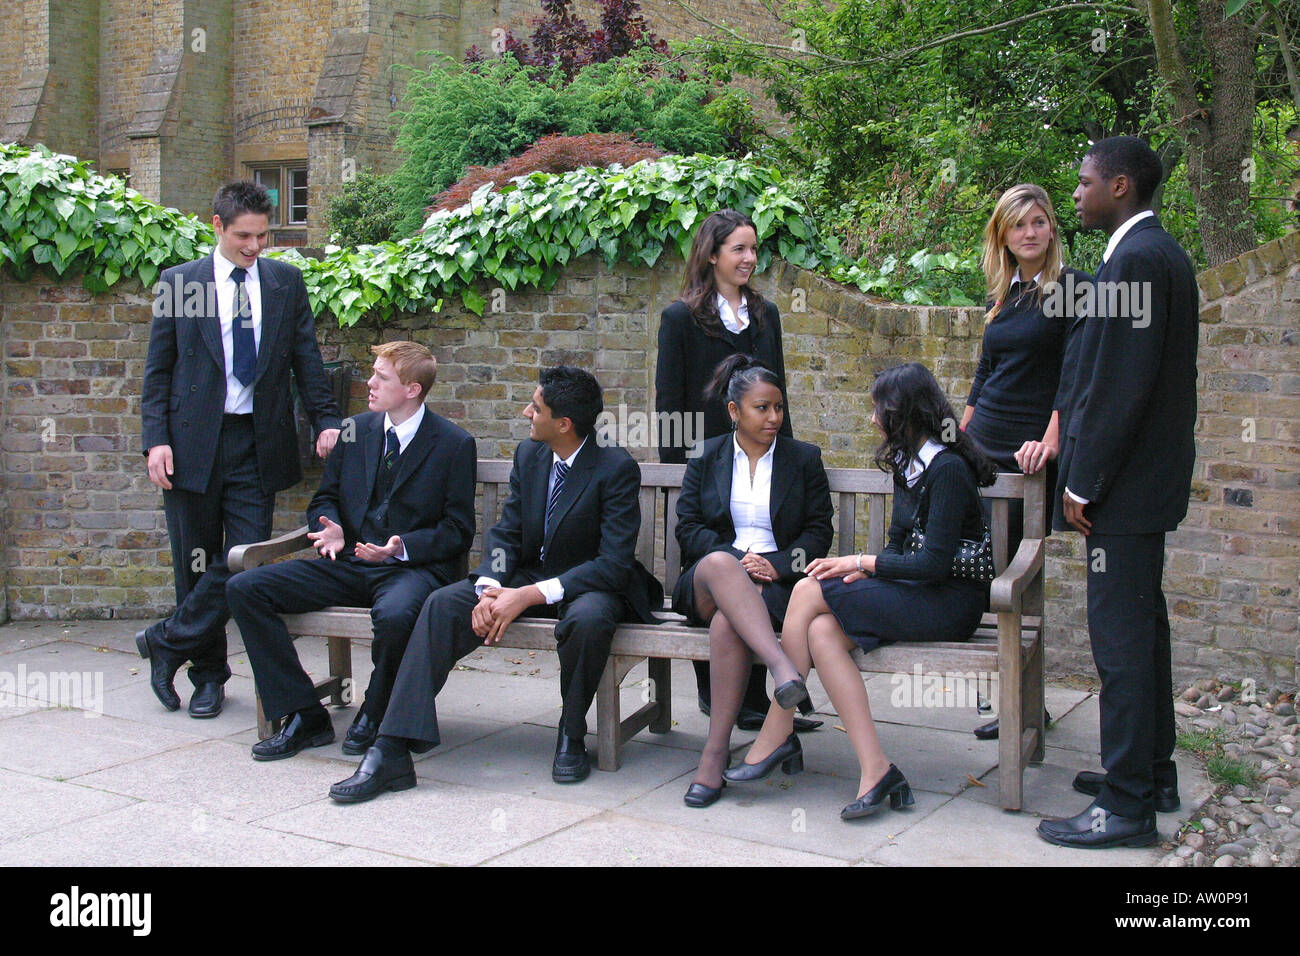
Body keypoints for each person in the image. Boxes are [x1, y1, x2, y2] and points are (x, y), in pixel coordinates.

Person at [328, 366, 664, 802]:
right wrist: (490, 584)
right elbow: (507, 532)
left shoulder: (615, 467)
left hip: (591, 585)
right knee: (442, 605)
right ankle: (392, 748)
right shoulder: (531, 454)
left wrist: (526, 595)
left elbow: (613, 564)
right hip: (524, 577)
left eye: (536, 407)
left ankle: (572, 731)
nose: (526, 412)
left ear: (563, 424)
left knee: (589, 619)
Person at [730, 363, 996, 820]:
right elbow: (897, 542)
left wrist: (860, 563)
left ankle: (777, 727)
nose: (874, 419)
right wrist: (870, 574)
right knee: (822, 634)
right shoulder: (907, 465)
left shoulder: (947, 469)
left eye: (880, 410)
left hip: (952, 602)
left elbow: (934, 564)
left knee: (811, 590)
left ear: (905, 414)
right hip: (916, 591)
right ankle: (877, 769)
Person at [1036, 136, 1198, 849]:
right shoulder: (1156, 254)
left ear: (1121, 187)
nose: (1075, 193)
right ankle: (1151, 773)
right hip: (1145, 488)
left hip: (1124, 494)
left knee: (1121, 644)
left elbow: (1120, 387)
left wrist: (1082, 480)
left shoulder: (1137, 259)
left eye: (1084, 183)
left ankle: (1127, 806)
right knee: (1145, 630)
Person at [138, 181, 342, 718]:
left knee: (245, 562)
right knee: (194, 561)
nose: (254, 247)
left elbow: (308, 360)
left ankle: (166, 641)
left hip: (257, 442)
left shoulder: (284, 282)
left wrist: (326, 421)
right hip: (191, 446)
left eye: (262, 235)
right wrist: (154, 440)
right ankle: (208, 677)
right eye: (243, 236)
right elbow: (157, 372)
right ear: (217, 227)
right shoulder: (179, 284)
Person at [227, 342, 476, 760]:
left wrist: (401, 548)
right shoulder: (354, 430)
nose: (370, 382)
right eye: (373, 372)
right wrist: (334, 527)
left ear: (412, 390)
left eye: (382, 377)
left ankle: (376, 712)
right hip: (347, 564)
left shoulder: (453, 444)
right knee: (245, 588)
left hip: (408, 572)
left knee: (397, 615)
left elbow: (457, 531)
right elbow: (323, 499)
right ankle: (304, 713)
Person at [655, 208, 819, 732]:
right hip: (709, 472)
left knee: (759, 569)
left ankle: (758, 704)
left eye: (754, 249)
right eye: (739, 249)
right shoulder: (680, 319)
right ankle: (728, 697)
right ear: (712, 255)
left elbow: (778, 395)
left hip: (761, 465)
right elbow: (670, 403)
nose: (750, 258)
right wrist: (684, 471)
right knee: (724, 561)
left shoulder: (765, 314)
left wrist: (787, 467)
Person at [673, 355, 834, 807]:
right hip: (708, 579)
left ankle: (714, 755)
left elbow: (819, 531)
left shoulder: (803, 459)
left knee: (729, 625)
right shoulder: (706, 455)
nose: (774, 418)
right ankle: (784, 671)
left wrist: (779, 565)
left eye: (778, 408)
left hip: (773, 584)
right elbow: (688, 527)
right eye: (762, 408)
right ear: (734, 411)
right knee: (724, 568)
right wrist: (738, 558)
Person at [961, 183, 1090, 741]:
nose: (1030, 233)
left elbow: (1077, 371)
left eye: (1039, 222)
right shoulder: (1005, 295)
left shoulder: (1075, 290)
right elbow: (985, 374)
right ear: (1003, 236)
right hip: (983, 446)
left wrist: (1052, 438)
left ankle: (1027, 705)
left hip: (1028, 454)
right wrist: (958, 436)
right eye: (1019, 225)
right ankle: (1011, 698)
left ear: (1052, 228)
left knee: (1022, 581)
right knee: (989, 572)